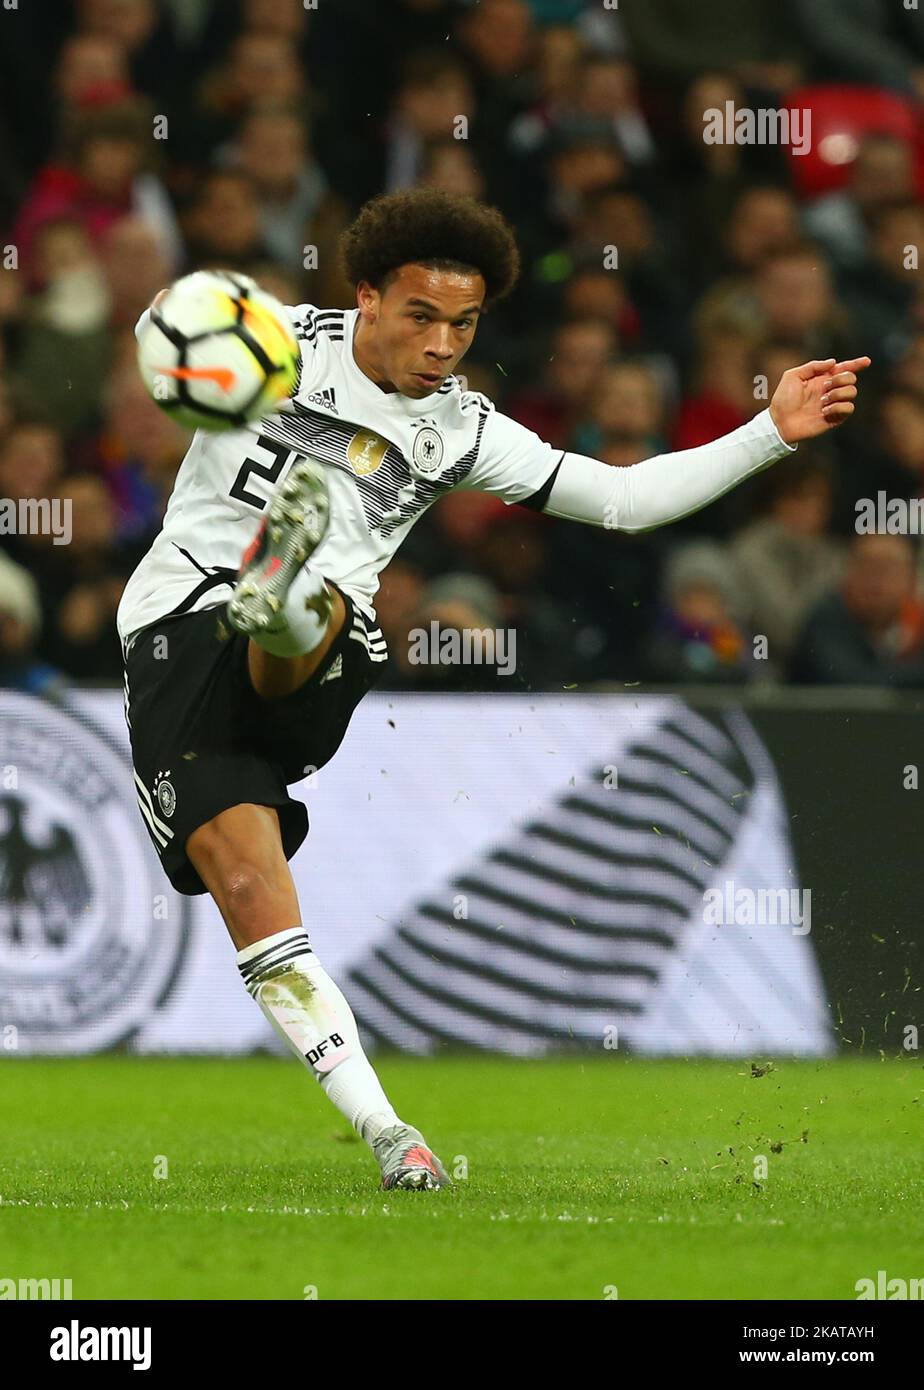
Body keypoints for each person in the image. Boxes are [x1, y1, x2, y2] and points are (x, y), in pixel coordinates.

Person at [117, 188, 870, 1192]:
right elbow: (164, 324)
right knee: (247, 884)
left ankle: (290, 590)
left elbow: (625, 499)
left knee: (321, 612)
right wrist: (181, 322)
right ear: (368, 295)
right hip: (172, 625)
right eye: (422, 315)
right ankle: (392, 1134)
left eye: (463, 325)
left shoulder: (462, 430)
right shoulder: (280, 338)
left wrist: (768, 431)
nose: (442, 344)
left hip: (326, 640)